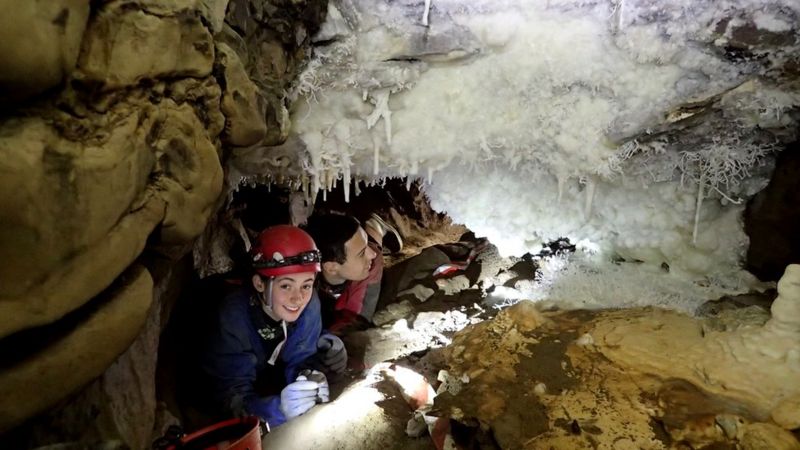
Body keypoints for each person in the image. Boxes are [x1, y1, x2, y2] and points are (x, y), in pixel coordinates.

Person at [200, 225, 348, 428]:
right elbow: (230, 397)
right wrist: (277, 411)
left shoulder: (310, 303)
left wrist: (309, 376)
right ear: (260, 284)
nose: (298, 298)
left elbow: (301, 356)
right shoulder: (233, 317)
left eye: (306, 285)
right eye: (286, 285)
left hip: (269, 373)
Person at [305, 213, 402, 332]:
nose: (372, 254)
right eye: (362, 254)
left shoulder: (371, 267)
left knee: (375, 250)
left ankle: (375, 228)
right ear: (331, 268)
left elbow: (357, 317)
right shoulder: (304, 282)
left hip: (353, 260)